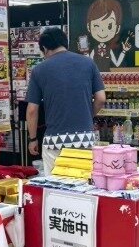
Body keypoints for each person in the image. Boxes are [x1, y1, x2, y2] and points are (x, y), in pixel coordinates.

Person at [26, 27, 106, 175]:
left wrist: (33, 139)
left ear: (45, 48)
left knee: (55, 184)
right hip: (84, 138)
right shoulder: (88, 63)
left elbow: (32, 110)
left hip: (54, 140)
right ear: (64, 43)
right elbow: (101, 98)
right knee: (82, 182)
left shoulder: (39, 70)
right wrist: (87, 116)